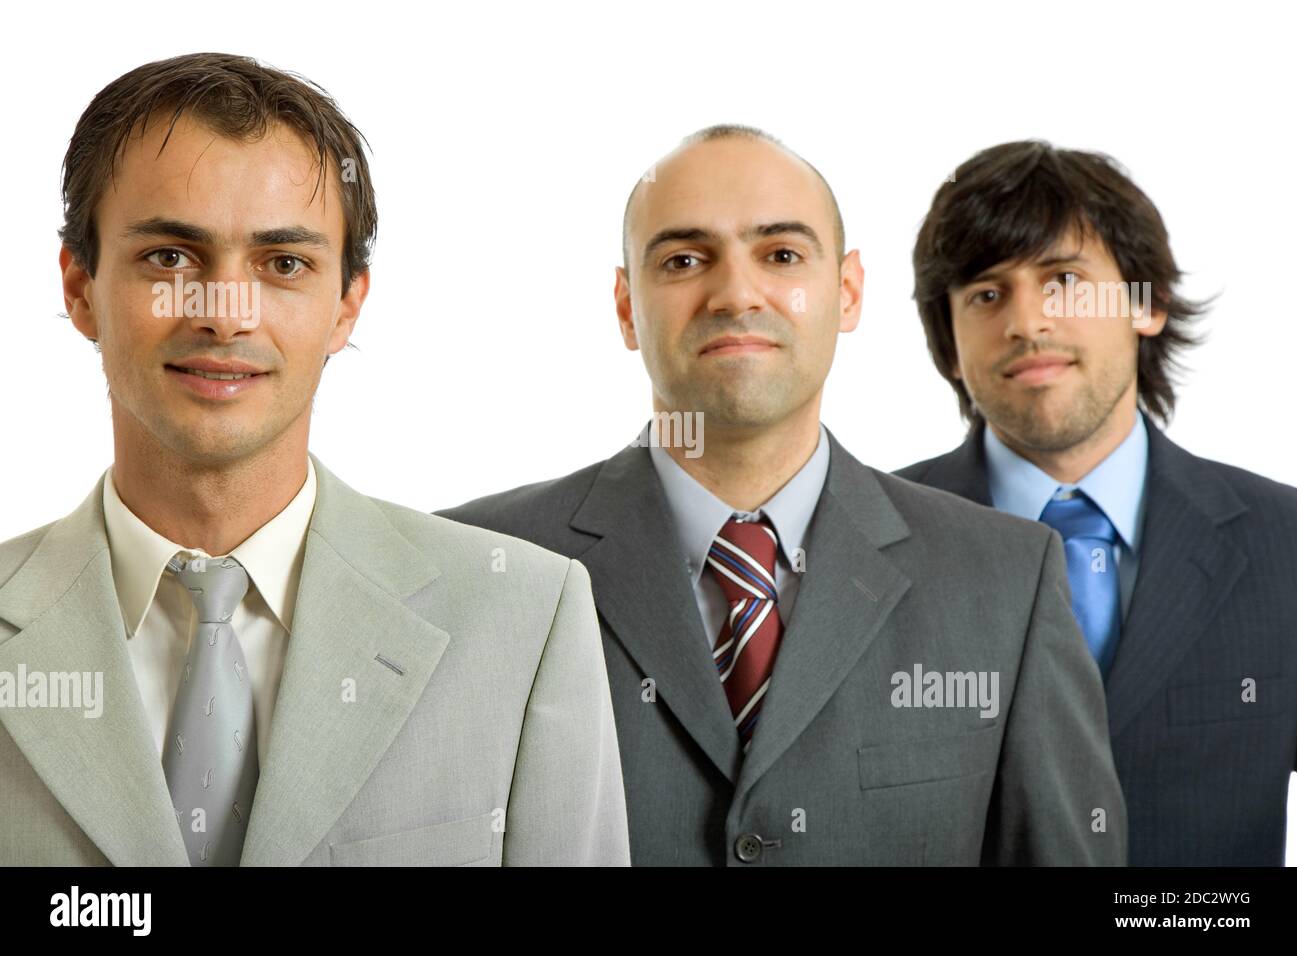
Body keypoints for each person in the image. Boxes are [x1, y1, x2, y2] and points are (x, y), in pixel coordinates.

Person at [0, 53, 628, 867]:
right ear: (81, 288)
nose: (226, 314)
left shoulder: (525, 622)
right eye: (170, 257)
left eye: (283, 264)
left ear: (345, 306)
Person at [441, 125, 1126, 866]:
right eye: (683, 259)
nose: (736, 294)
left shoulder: (1006, 580)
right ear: (625, 306)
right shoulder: (480, 567)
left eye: (782, 255)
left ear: (849, 291)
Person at [897, 140, 1297, 865]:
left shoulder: (1288, 542)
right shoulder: (858, 542)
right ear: (950, 348)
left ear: (1146, 305)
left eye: (1064, 281)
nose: (1028, 321)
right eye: (987, 294)